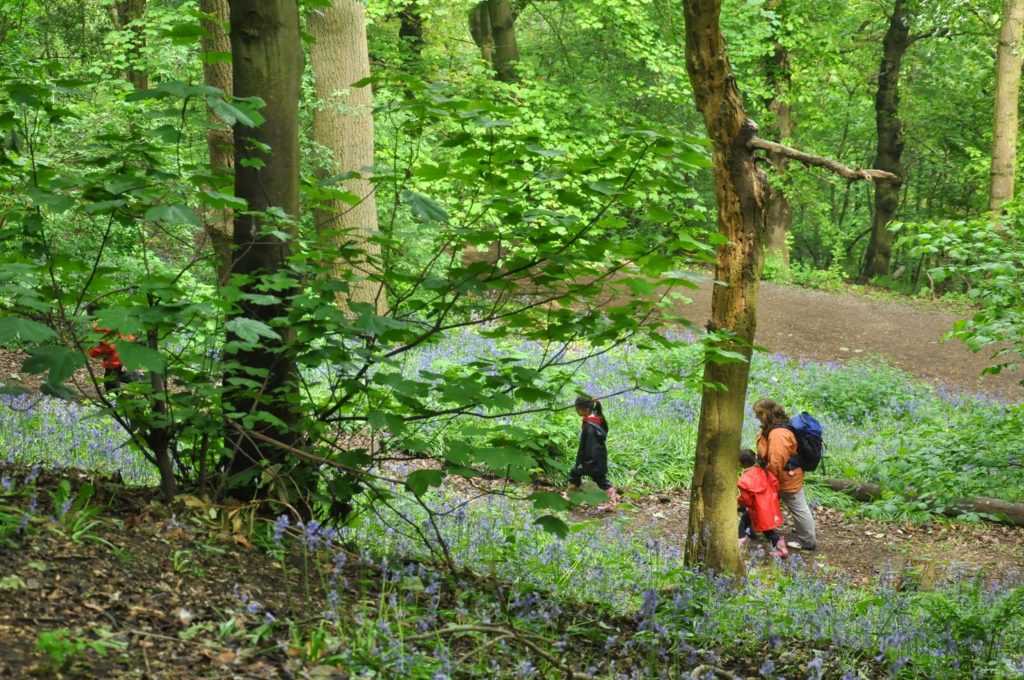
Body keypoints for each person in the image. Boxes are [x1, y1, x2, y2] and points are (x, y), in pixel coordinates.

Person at [753, 397, 817, 551]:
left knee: (798, 507)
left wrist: (767, 478)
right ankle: (751, 530)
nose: (756, 417)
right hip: (780, 476)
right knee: (756, 500)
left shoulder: (778, 433)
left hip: (786, 478)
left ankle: (808, 542)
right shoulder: (772, 427)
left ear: (767, 413)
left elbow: (777, 460)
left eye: (759, 414)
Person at [567, 394, 619, 511]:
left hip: (591, 460)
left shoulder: (590, 428)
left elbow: (591, 448)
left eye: (577, 409)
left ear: (585, 410)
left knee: (599, 480)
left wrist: (585, 462)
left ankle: (612, 502)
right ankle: (572, 498)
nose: (576, 411)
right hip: (596, 458)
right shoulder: (597, 419)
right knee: (575, 475)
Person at [737, 448, 788, 558]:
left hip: (759, 509)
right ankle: (745, 536)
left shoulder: (745, 479)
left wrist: (738, 501)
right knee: (747, 519)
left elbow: (746, 500)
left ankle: (781, 548)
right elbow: (775, 484)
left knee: (767, 530)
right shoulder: (763, 471)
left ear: (741, 463)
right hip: (770, 505)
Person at [88, 326, 136, 395]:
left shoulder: (104, 329)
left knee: (110, 379)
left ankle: (114, 395)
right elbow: (131, 339)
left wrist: (91, 353)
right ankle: (139, 378)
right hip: (120, 356)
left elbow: (108, 347)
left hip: (113, 359)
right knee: (117, 374)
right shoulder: (118, 325)